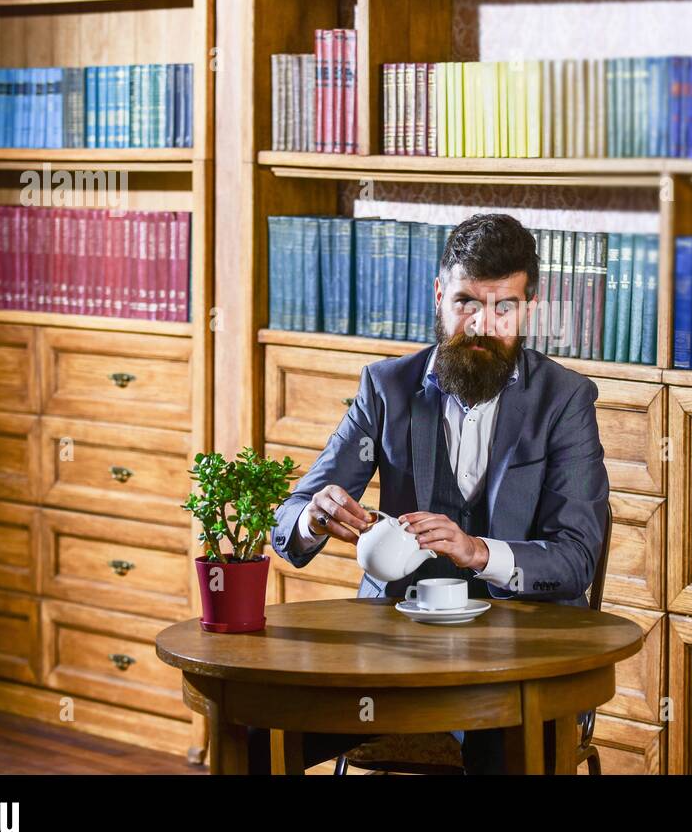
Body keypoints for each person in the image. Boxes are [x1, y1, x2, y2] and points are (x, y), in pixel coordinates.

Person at [254, 212, 610, 774]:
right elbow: (290, 521)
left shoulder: (564, 400)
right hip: (393, 659)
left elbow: (576, 556)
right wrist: (315, 517)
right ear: (440, 295)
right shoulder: (387, 388)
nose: (482, 325)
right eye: (467, 302)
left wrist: (478, 552)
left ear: (529, 310)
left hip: (520, 662)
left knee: (511, 749)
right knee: (258, 734)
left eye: (504, 307)